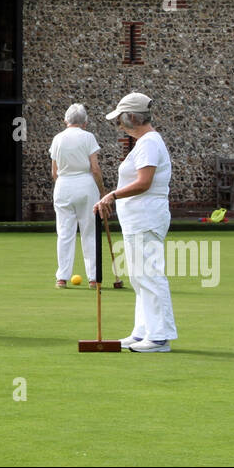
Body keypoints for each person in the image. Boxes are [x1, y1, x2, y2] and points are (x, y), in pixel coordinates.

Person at [95, 93, 176, 352]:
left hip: (147, 217)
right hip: (137, 219)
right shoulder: (144, 143)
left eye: (120, 119)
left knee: (149, 275)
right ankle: (142, 331)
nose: (118, 124)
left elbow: (144, 182)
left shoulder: (150, 143)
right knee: (139, 277)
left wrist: (112, 195)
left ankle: (160, 336)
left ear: (131, 117)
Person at [49, 103, 106, 288]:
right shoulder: (88, 137)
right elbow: (95, 168)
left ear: (66, 120)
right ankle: (93, 278)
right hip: (85, 186)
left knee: (65, 233)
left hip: (63, 186)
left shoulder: (57, 138)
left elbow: (54, 172)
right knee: (89, 232)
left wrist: (63, 186)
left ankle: (62, 278)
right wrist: (103, 191)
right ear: (85, 122)